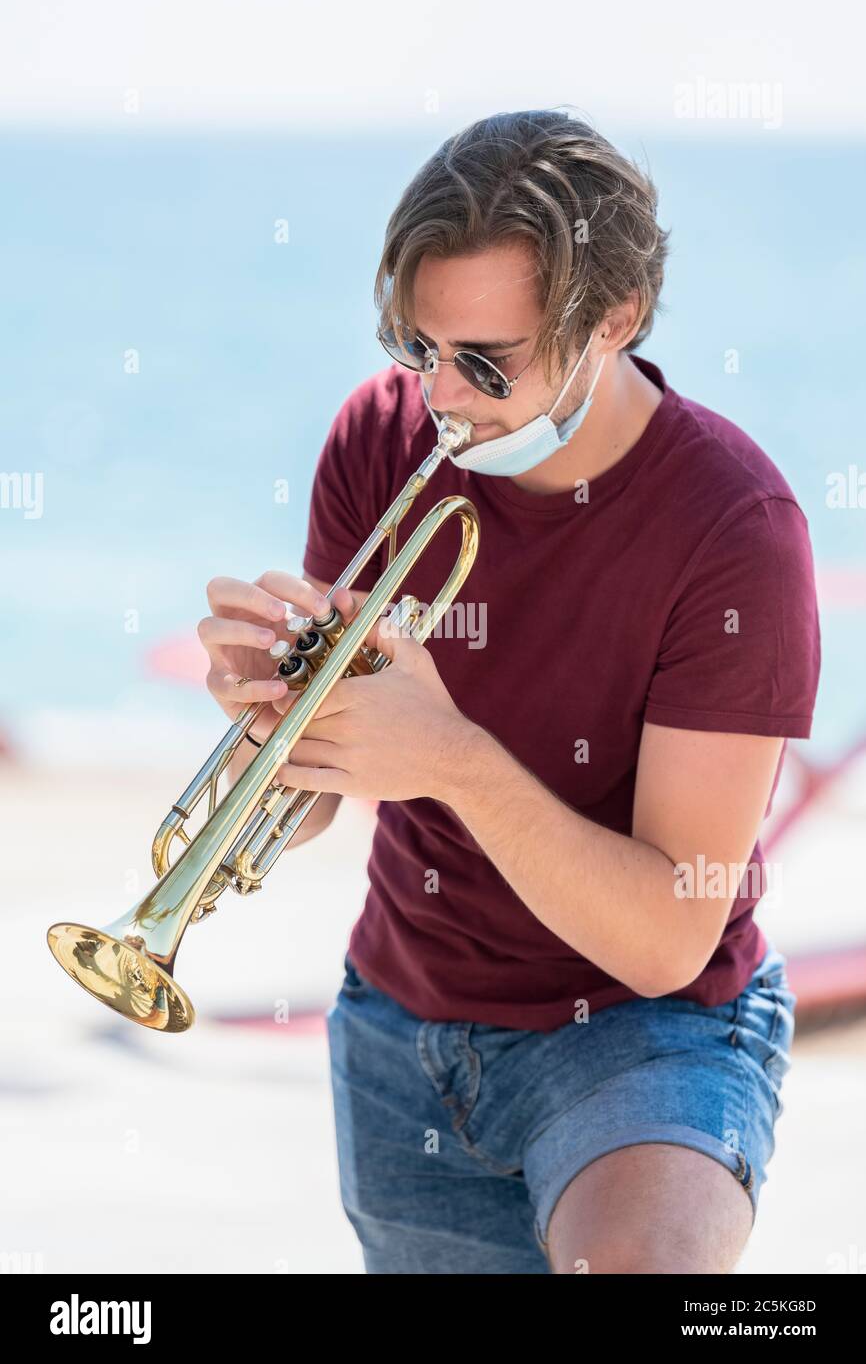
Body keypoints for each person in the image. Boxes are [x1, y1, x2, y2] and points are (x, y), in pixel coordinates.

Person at [197, 109, 820, 1274]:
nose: (441, 397)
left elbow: (665, 938)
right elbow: (320, 793)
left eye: (487, 362)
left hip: (646, 1034)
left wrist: (451, 757)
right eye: (418, 345)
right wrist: (266, 724)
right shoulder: (379, 436)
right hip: (403, 1025)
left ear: (614, 322)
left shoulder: (734, 531)